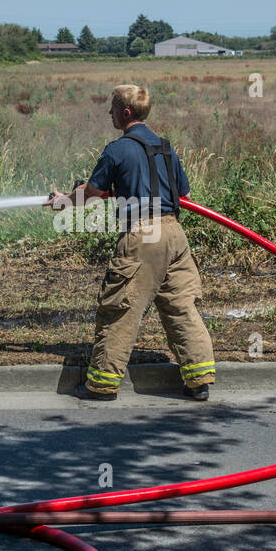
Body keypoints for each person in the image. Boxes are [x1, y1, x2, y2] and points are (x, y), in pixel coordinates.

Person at [44, 84, 216, 401]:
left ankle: (102, 385)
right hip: (174, 234)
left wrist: (63, 201)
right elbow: (184, 196)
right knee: (181, 307)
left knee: (119, 308)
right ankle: (199, 379)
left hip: (143, 234)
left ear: (125, 113)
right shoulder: (165, 147)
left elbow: (91, 193)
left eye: (111, 108)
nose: (108, 113)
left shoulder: (116, 150)